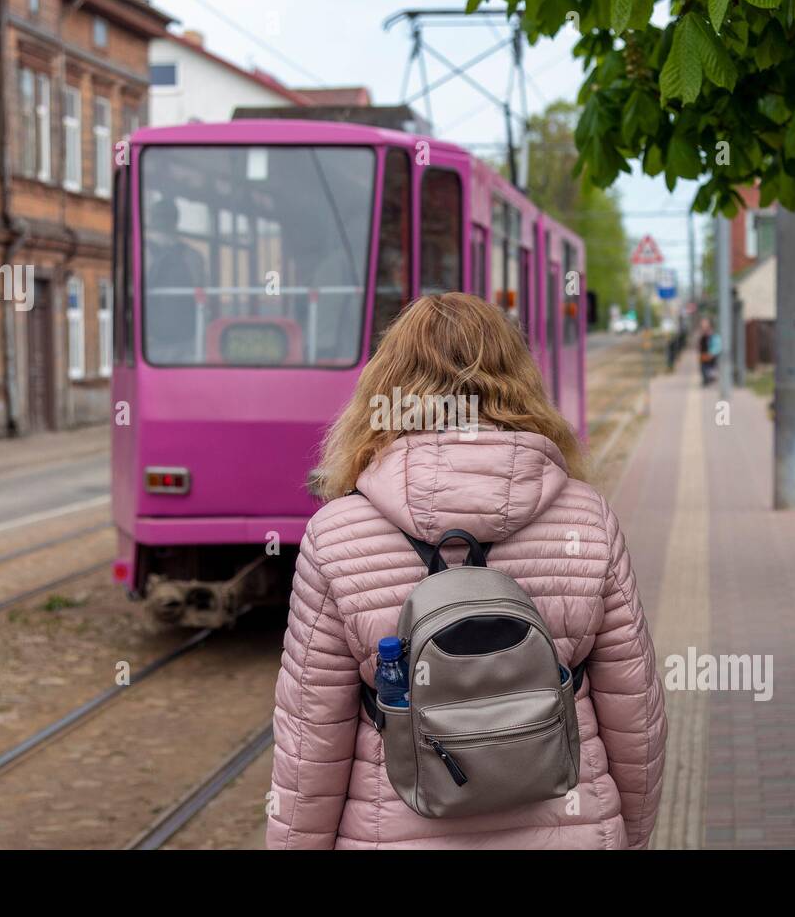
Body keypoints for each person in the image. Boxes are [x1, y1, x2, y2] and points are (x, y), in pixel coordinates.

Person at [268, 291, 667, 849]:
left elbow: (310, 736)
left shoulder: (337, 532)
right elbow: (635, 711)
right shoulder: (586, 518)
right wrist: (633, 834)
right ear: (519, 382)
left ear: (385, 389)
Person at [144, 196, 206, 364]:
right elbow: (202, 299)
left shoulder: (138, 254)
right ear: (176, 221)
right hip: (186, 340)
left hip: (148, 342)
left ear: (151, 219)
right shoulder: (194, 257)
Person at [698, 316, 717, 386]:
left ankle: (708, 379)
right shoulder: (702, 333)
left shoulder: (711, 334)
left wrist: (712, 352)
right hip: (703, 353)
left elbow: (714, 343)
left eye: (705, 323)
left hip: (710, 353)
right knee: (703, 367)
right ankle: (706, 380)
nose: (703, 325)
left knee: (708, 367)